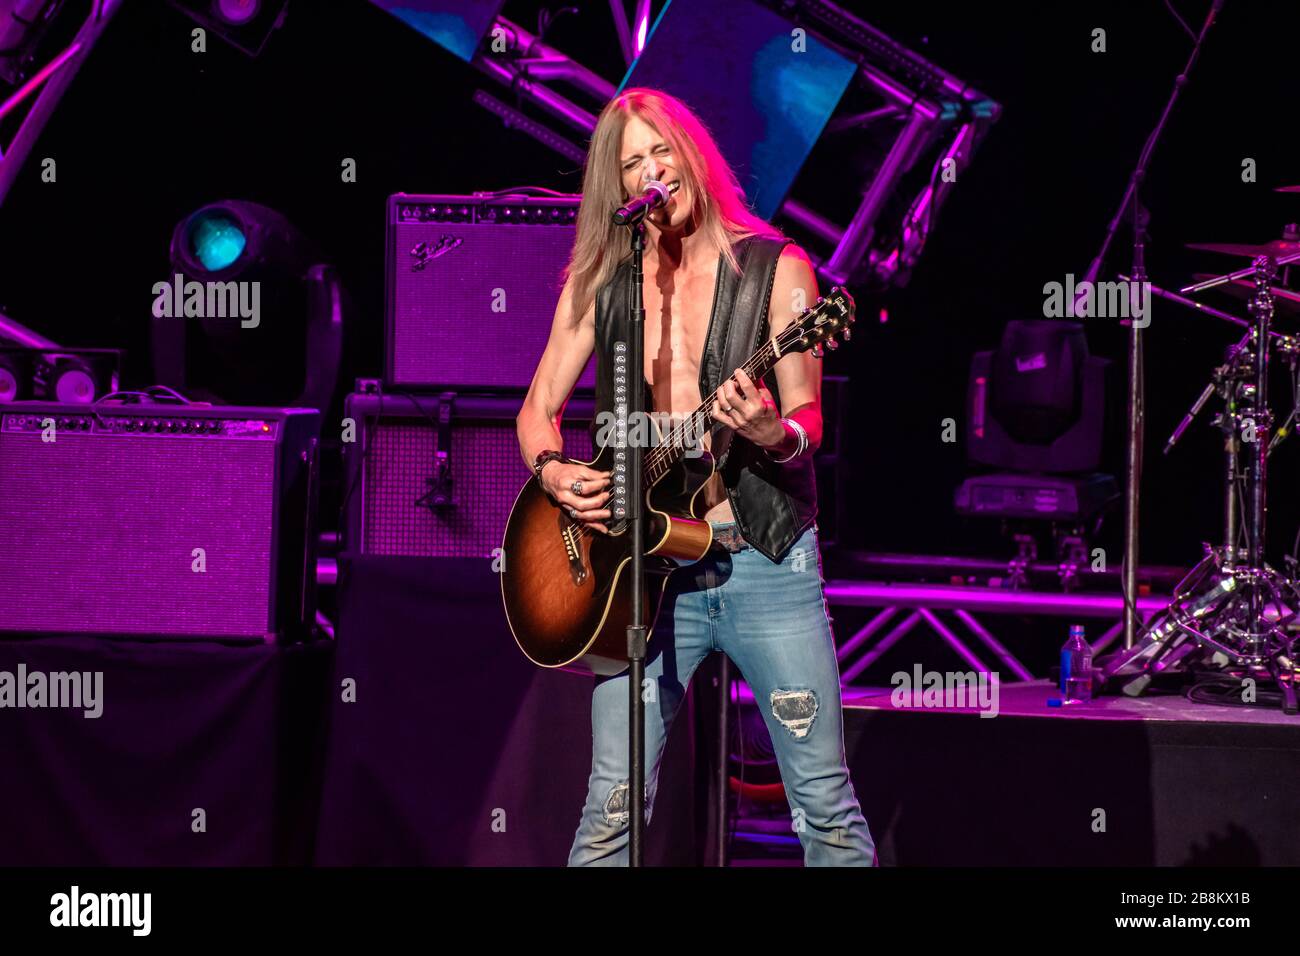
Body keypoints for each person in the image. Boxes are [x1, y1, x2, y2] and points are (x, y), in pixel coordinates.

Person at [515, 88, 874, 866]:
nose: (652, 171)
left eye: (661, 151)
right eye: (632, 162)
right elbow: (537, 410)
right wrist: (552, 471)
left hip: (763, 558)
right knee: (610, 809)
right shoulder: (601, 284)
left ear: (691, 155)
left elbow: (806, 420)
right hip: (639, 572)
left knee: (824, 809)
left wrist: (771, 433)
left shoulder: (778, 270)